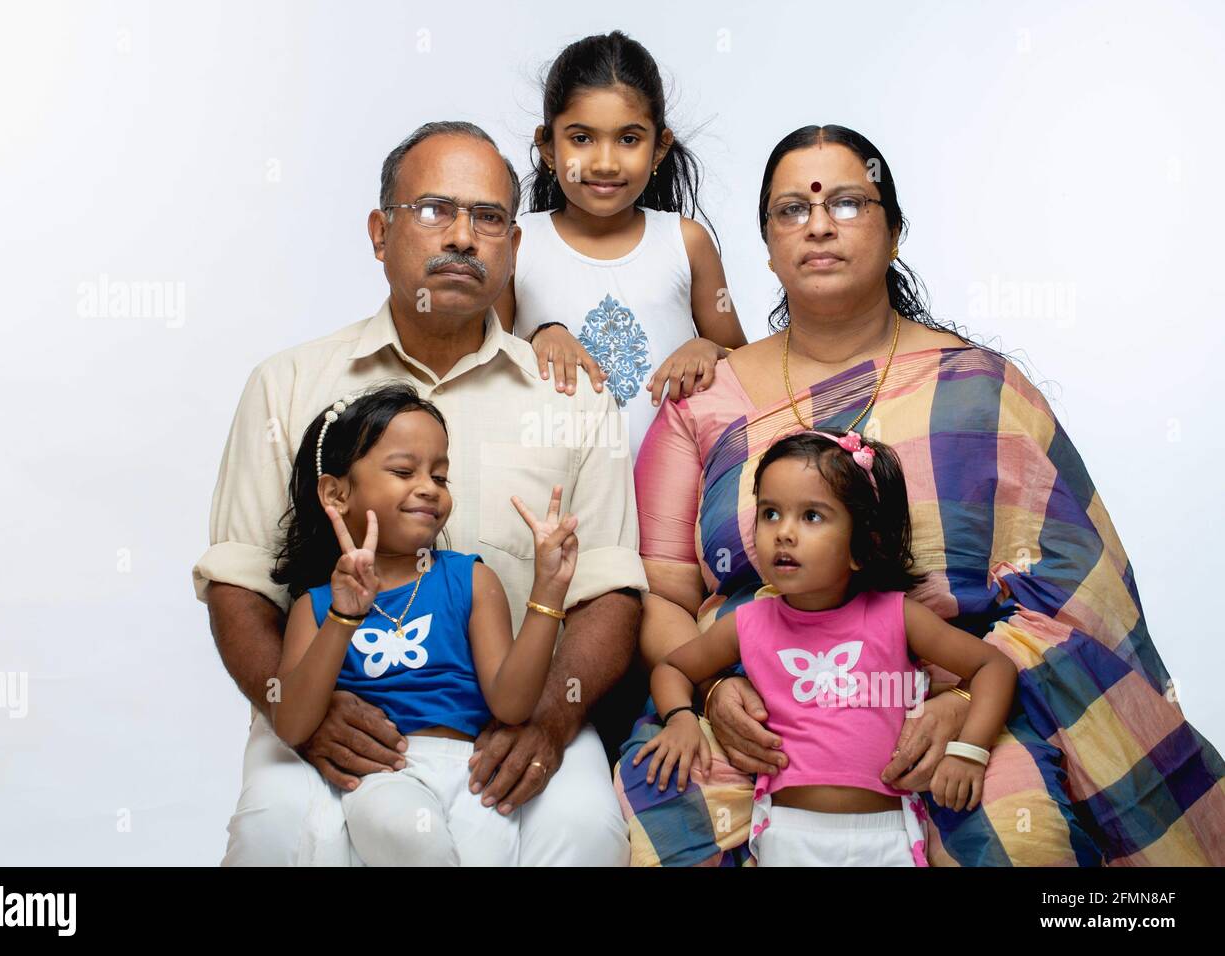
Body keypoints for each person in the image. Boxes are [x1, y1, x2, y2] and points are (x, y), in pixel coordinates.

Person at [617, 123, 1225, 866]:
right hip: (753, 712)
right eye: (790, 211)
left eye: (846, 203)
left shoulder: (980, 388)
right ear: (768, 248)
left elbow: (1072, 581)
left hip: (954, 706)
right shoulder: (704, 400)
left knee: (1018, 839)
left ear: (895, 232)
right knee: (660, 833)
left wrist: (966, 703)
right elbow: (662, 593)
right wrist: (711, 697)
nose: (817, 225)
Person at [194, 120, 647, 866]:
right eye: (435, 210)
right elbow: (238, 583)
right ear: (381, 233)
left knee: (587, 831)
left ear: (513, 248)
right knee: (277, 831)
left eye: (490, 218)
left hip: (517, 711)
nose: (464, 237)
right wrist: (301, 712)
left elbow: (611, 591)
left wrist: (549, 719)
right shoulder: (290, 385)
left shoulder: (573, 398)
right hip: (336, 711)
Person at [633, 428, 1017, 865]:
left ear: (863, 545)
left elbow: (994, 668)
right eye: (770, 513)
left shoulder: (897, 616)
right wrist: (681, 718)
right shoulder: (748, 625)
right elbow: (672, 669)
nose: (783, 533)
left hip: (888, 834)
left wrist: (970, 751)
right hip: (788, 835)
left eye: (812, 516)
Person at [270, 383, 580, 865]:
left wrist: (548, 591)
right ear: (337, 493)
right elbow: (291, 724)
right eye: (403, 471)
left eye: (440, 475)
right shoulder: (318, 605)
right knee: (410, 836)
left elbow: (512, 704)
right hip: (386, 776)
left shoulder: (472, 580)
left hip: (476, 775)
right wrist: (343, 615)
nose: (429, 488)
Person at [494, 30, 746, 458]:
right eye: (581, 138)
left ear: (659, 147)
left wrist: (709, 349)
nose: (606, 162)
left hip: (674, 490)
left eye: (628, 139)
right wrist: (537, 336)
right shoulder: (517, 244)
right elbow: (486, 366)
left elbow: (744, 358)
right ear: (548, 147)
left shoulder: (686, 243)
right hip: (556, 489)